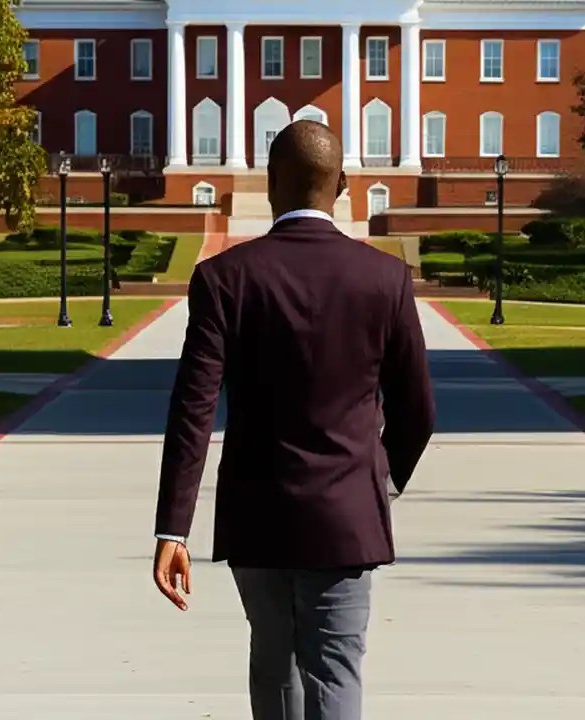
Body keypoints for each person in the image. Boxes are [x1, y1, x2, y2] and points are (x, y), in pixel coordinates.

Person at [152, 120, 435, 720]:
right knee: (335, 675)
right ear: (345, 186)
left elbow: (193, 409)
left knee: (274, 671)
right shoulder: (385, 278)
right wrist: (380, 481)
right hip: (348, 517)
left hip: (258, 516)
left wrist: (172, 529)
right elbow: (419, 411)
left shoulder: (225, 278)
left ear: (272, 183)